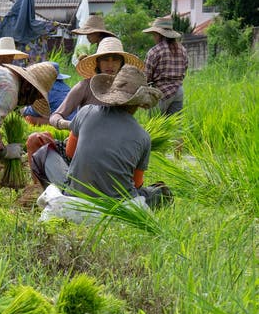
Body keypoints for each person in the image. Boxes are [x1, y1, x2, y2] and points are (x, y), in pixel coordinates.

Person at [34, 65, 172, 210]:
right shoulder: (143, 136)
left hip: (74, 196)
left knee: (43, 154)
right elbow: (137, 183)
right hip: (118, 204)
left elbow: (70, 152)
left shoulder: (86, 112)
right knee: (160, 192)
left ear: (110, 93)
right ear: (140, 103)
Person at [26, 38, 143, 186]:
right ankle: (39, 190)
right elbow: (55, 116)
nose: (110, 64)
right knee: (35, 140)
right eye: (105, 60)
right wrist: (74, 125)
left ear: (121, 64)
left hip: (112, 152)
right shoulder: (85, 87)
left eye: (115, 60)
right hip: (76, 147)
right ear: (98, 63)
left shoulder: (126, 93)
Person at [142, 17, 188, 115]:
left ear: (159, 35)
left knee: (155, 127)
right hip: (178, 91)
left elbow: (146, 77)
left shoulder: (155, 51)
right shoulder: (182, 49)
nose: (153, 37)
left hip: (160, 93)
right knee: (175, 126)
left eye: (154, 34)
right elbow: (184, 70)